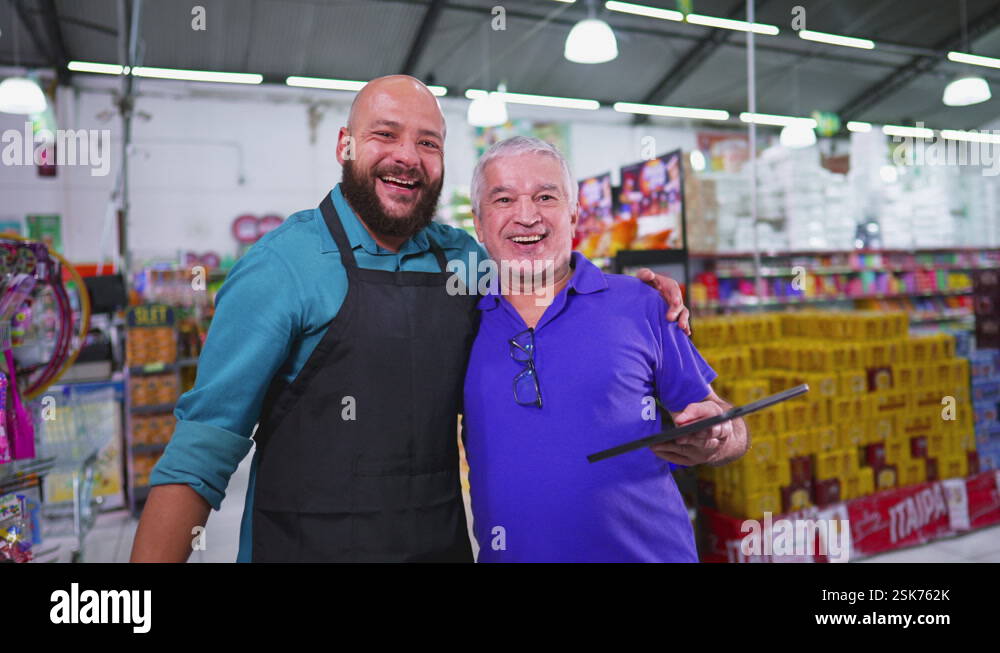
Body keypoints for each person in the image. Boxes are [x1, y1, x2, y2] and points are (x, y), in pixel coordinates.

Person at [130, 76, 690, 563]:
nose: (407, 156)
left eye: (428, 142)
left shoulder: (464, 263)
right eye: (385, 134)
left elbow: (545, 282)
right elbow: (200, 456)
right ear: (345, 146)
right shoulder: (281, 268)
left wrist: (634, 294)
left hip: (436, 548)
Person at [463, 136, 749, 563]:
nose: (526, 216)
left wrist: (718, 435)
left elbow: (728, 427)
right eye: (504, 199)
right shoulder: (458, 322)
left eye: (545, 196)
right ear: (480, 223)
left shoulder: (643, 303)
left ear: (575, 213)